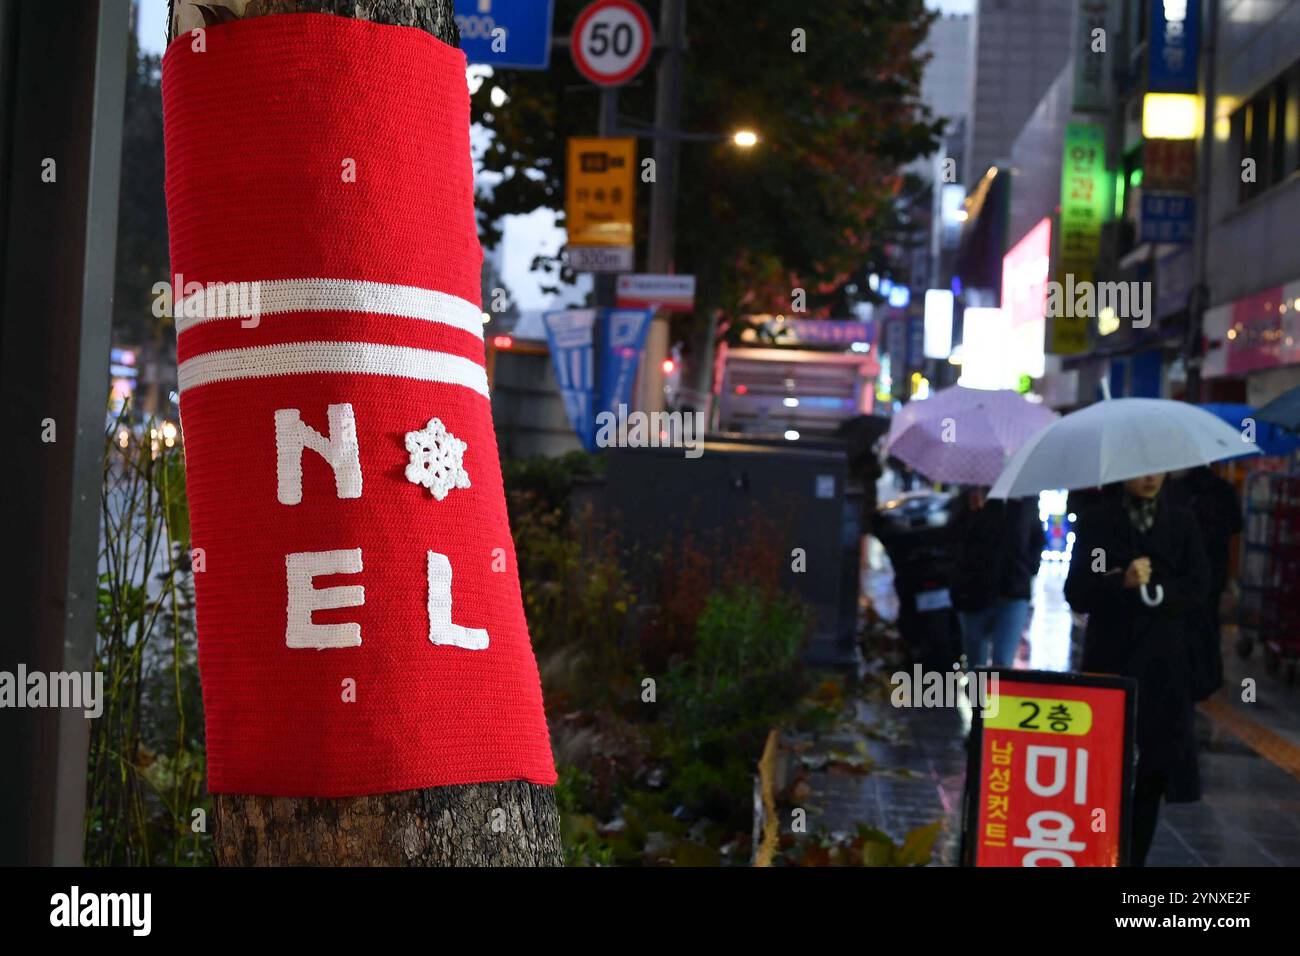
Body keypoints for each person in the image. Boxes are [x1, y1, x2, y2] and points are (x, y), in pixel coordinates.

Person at [1064, 473, 1210, 866]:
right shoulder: (1097, 521)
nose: (1150, 478)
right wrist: (1119, 583)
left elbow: (1200, 587)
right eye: (1142, 469)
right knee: (1103, 775)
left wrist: (1158, 591)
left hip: (1164, 673)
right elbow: (1077, 592)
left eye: (1158, 469)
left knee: (1150, 776)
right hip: (1111, 669)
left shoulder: (1182, 522)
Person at [1168, 466, 1243, 700]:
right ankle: (1206, 676)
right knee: (1209, 623)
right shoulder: (1225, 491)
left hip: (1183, 572)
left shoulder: (1175, 490)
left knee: (1184, 622)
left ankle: (1187, 674)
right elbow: (1237, 526)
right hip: (1215, 570)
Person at [952, 488, 1044, 667]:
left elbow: (1037, 538)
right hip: (973, 592)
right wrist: (973, 514)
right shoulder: (970, 497)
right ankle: (977, 696)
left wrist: (1027, 569)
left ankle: (997, 695)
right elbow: (954, 540)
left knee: (1003, 664)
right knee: (975, 663)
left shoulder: (1025, 499)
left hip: (1013, 591)